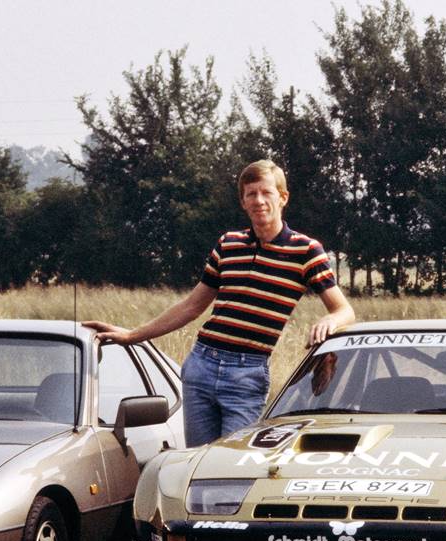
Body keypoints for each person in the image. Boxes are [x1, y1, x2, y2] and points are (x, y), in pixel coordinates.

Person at [84, 159, 355, 447]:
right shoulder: (228, 244)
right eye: (251, 194)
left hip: (247, 373)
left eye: (266, 193)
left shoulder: (306, 251)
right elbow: (191, 307)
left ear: (283, 197)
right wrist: (131, 335)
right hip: (202, 364)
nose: (259, 201)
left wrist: (330, 320)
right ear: (243, 201)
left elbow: (344, 310)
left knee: (233, 464)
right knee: (198, 463)